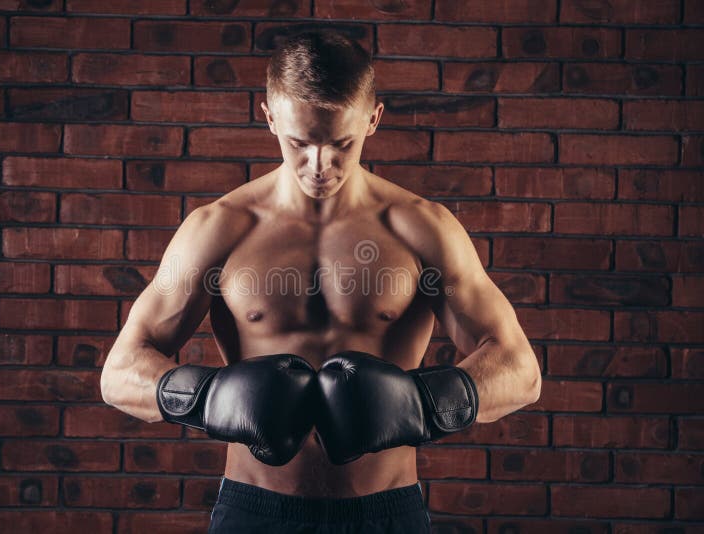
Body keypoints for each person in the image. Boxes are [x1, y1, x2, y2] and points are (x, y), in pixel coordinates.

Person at [100, 30, 541, 533]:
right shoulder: (217, 230)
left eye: (341, 144)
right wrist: (208, 399)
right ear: (269, 117)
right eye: (299, 143)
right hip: (255, 511)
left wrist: (421, 405)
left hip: (384, 512)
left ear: (373, 119)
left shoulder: (422, 229)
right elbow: (119, 373)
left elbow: (520, 371)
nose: (319, 165)